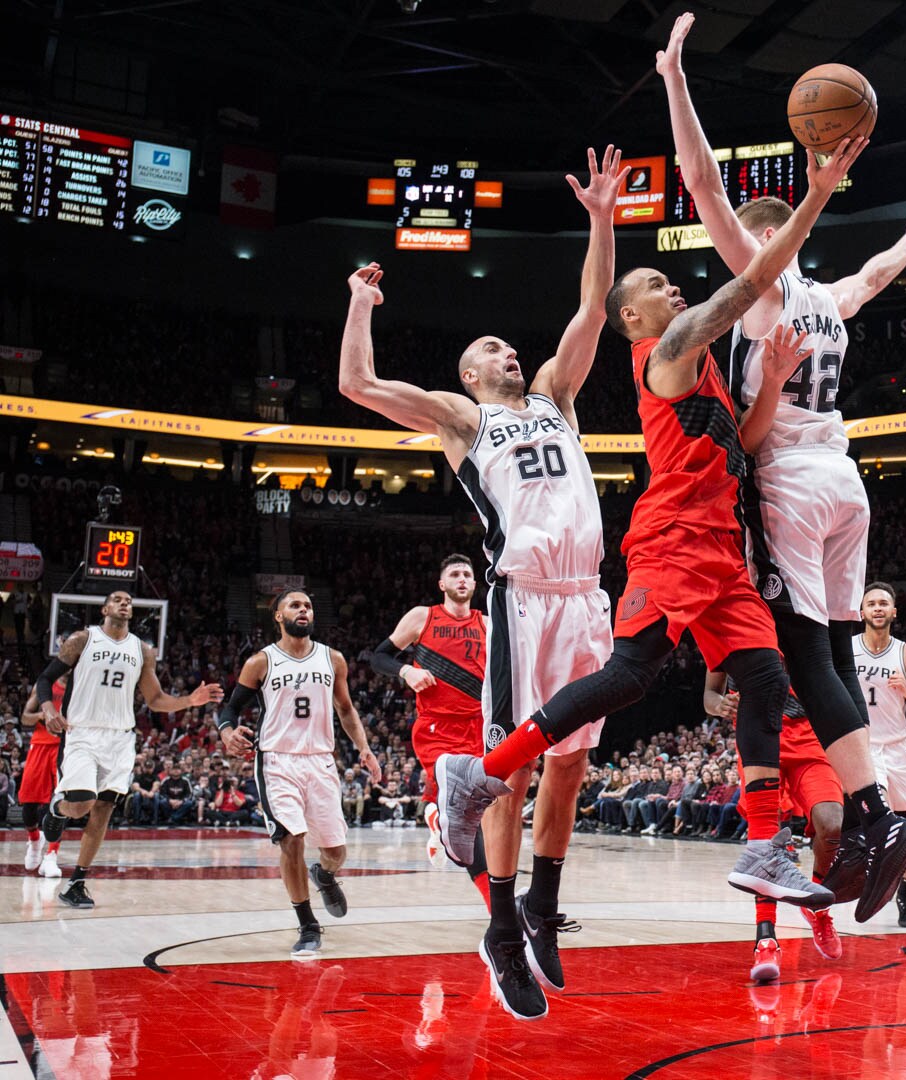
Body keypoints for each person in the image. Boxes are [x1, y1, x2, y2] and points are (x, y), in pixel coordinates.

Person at [434, 135, 906, 929]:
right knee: (630, 676)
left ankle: (763, 848)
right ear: (636, 317)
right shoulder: (664, 350)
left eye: (672, 284)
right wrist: (817, 197)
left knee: (766, 680)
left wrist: (779, 373)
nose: (674, 289)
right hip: (672, 540)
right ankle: (482, 774)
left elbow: (755, 435)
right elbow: (752, 283)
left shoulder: (714, 377)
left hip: (724, 551)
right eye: (660, 285)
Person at [656, 14, 906, 912]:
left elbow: (703, 184)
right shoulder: (827, 294)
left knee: (808, 653)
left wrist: (675, 79)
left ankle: (870, 814)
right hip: (846, 480)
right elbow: (872, 276)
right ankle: (872, 816)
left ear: (757, 241)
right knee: (820, 652)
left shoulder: (765, 282)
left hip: (785, 477)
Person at [339, 147, 626, 1021]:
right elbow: (357, 383)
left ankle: (541, 906)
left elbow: (590, 308)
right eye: (493, 347)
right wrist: (360, 302)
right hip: (527, 598)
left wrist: (604, 217)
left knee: (571, 771)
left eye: (510, 345)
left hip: (588, 597)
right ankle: (499, 925)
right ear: (471, 374)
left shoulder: (556, 396)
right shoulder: (464, 417)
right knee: (513, 766)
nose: (511, 349)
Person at [32, 592, 221, 908]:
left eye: (129, 601)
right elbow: (45, 678)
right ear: (105, 609)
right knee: (80, 804)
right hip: (82, 733)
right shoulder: (82, 640)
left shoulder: (142, 650)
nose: (124, 603)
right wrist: (50, 709)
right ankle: (56, 809)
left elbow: (155, 699)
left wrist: (189, 700)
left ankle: (77, 882)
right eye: (117, 600)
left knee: (104, 809)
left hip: (120, 738)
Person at [218, 591, 380, 956]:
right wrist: (227, 733)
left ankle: (323, 874)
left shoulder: (332, 658)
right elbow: (230, 710)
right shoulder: (260, 662)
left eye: (307, 605)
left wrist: (365, 748)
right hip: (276, 759)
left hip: (320, 759)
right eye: (294, 605)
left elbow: (346, 709)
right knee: (291, 840)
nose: (303, 610)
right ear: (278, 616)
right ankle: (308, 924)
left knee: (336, 851)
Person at [705, 673, 845, 983]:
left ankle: (817, 909)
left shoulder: (806, 626)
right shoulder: (727, 631)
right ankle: (765, 939)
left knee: (832, 825)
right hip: (759, 736)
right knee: (766, 841)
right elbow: (710, 696)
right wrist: (721, 705)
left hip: (811, 735)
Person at [370, 554, 492, 905]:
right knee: (463, 816)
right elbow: (379, 656)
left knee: (474, 813)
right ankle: (492, 903)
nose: (462, 579)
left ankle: (437, 823)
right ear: (442, 584)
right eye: (454, 574)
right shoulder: (423, 616)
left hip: (478, 727)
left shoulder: (488, 624)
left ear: (474, 583)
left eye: (468, 574)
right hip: (436, 727)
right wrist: (406, 671)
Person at [853, 582, 906, 925]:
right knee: (880, 820)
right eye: (871, 603)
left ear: (893, 612)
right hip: (864, 747)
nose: (877, 608)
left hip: (901, 747)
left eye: (883, 603)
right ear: (861, 613)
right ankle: (875, 882)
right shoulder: (846, 650)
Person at [17, 681, 66, 878]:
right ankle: (35, 839)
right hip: (39, 745)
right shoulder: (44, 684)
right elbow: (24, 718)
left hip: (64, 747)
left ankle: (51, 855)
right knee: (28, 802)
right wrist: (41, 715)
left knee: (58, 803)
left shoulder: (80, 682)